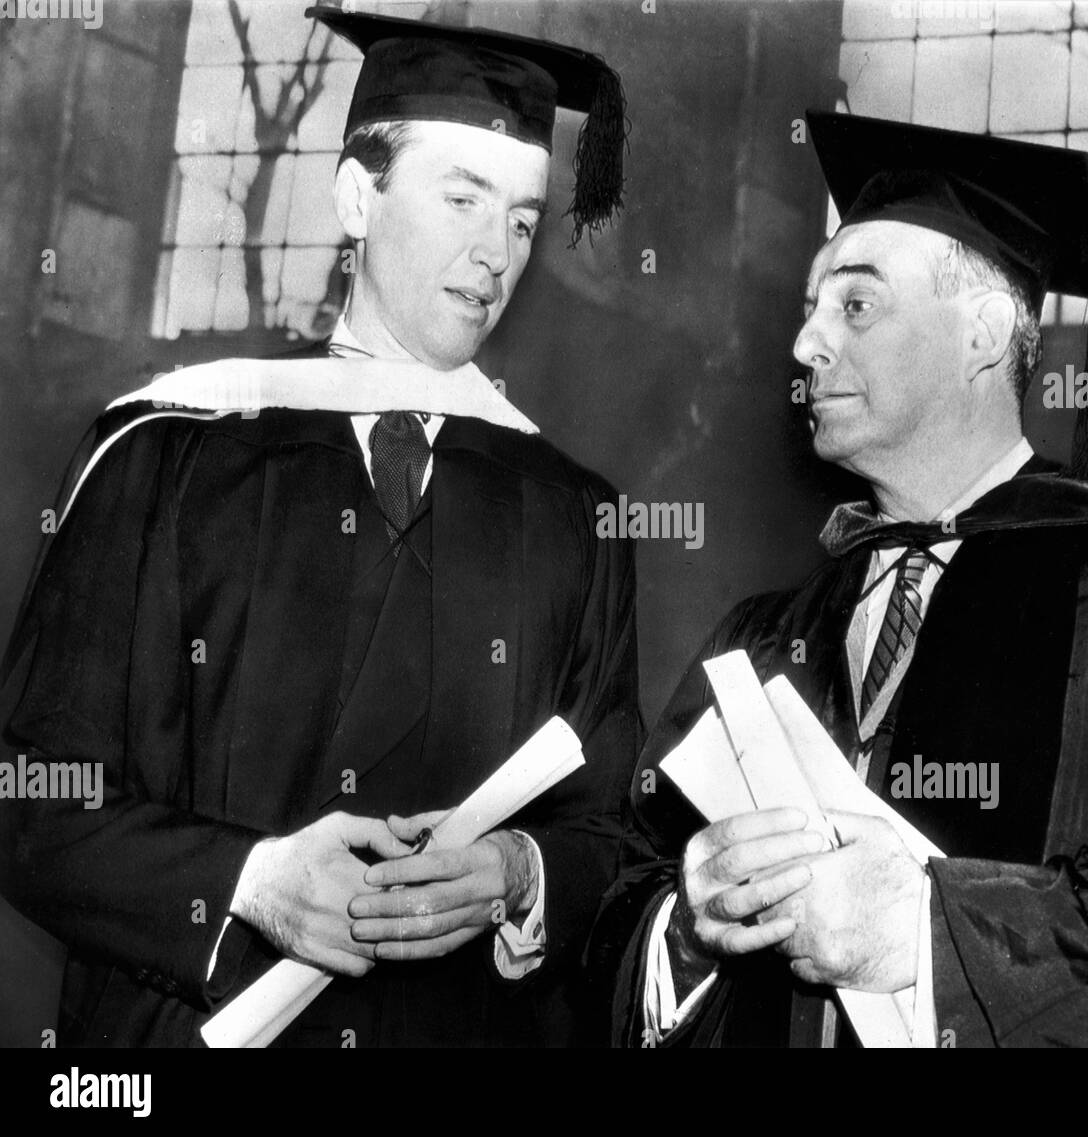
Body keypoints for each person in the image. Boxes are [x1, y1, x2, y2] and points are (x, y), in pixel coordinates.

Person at [0, 6, 640, 1047]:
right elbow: (32, 800)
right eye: (462, 198)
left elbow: (611, 832)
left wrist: (523, 876)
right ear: (356, 195)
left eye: (523, 220)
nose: (494, 254)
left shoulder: (571, 511)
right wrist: (244, 885)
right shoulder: (168, 450)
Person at [592, 113, 1088, 1048]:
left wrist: (929, 932)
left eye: (854, 305)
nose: (804, 346)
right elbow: (624, 897)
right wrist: (688, 927)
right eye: (812, 308)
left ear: (983, 333)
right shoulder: (762, 636)